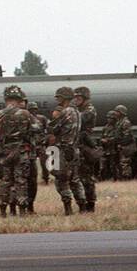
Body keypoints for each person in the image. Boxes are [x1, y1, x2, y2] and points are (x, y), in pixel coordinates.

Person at [0, 84, 34, 215]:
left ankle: (3, 210)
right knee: (20, 180)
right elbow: (34, 130)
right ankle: (22, 210)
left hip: (5, 152)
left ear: (6, 99)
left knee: (5, 181)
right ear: (19, 99)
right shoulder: (24, 113)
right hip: (20, 151)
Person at [47, 86, 87, 215]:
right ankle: (82, 206)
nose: (57, 100)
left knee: (61, 179)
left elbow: (53, 128)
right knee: (75, 180)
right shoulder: (77, 112)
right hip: (74, 150)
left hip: (62, 151)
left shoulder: (65, 112)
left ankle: (68, 208)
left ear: (64, 98)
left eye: (58, 97)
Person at [72, 86, 98, 212]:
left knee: (87, 177)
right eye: (75, 97)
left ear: (85, 98)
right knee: (78, 176)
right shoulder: (77, 109)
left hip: (86, 146)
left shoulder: (89, 110)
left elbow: (78, 119)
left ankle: (90, 203)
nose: (76, 99)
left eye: (79, 97)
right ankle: (83, 203)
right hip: (79, 146)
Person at [115, 105, 137, 180]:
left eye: (117, 111)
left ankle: (127, 179)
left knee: (125, 163)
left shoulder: (125, 122)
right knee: (122, 163)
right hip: (123, 146)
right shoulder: (119, 122)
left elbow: (128, 136)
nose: (115, 113)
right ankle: (124, 178)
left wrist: (121, 144)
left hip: (127, 146)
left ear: (121, 113)